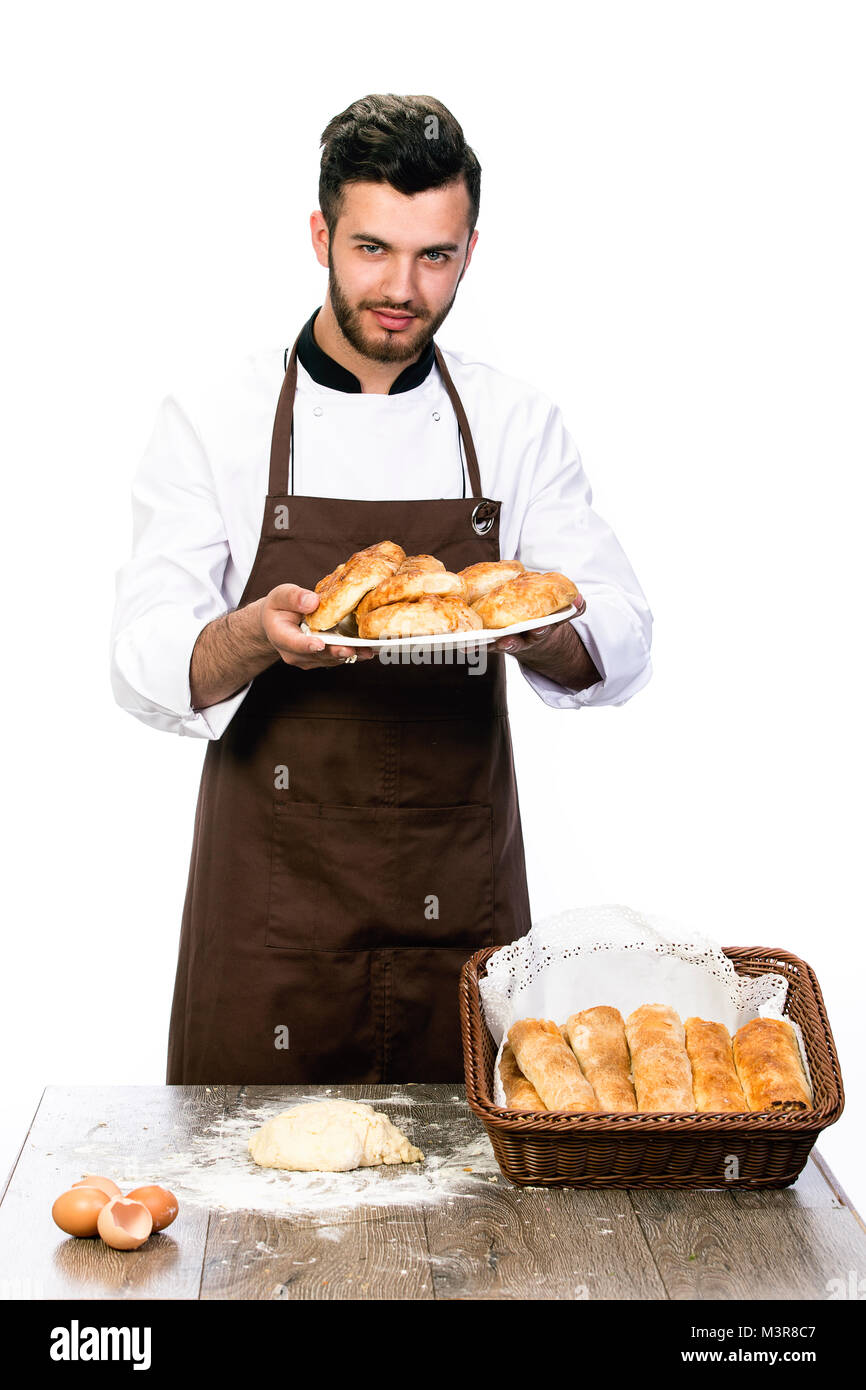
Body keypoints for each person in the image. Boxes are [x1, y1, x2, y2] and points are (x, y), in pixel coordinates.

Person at [110, 93, 653, 1084]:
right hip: (270, 929)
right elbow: (144, 658)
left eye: (433, 256)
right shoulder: (215, 420)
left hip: (462, 915)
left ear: (468, 251)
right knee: (253, 1220)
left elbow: (617, 631)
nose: (401, 286)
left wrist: (536, 628)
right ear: (319, 232)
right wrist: (254, 634)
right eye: (370, 249)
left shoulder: (511, 423)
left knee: (481, 1226)